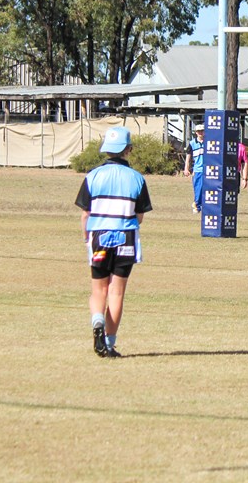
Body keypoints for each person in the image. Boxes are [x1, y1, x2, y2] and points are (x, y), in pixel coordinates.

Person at [75, 126, 152, 359]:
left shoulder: (93, 176)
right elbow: (140, 215)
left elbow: (85, 214)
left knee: (98, 289)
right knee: (116, 293)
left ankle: (97, 321)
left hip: (99, 237)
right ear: (128, 150)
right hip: (126, 237)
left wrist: (86, 237)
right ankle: (109, 343)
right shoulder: (137, 178)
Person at [182, 122, 205, 214]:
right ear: (196, 132)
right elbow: (188, 156)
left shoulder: (209, 142)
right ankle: (197, 205)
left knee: (206, 189)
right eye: (198, 131)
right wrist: (186, 168)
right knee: (198, 188)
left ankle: (198, 205)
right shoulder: (192, 143)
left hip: (208, 169)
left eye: (202, 131)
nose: (200, 133)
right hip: (198, 169)